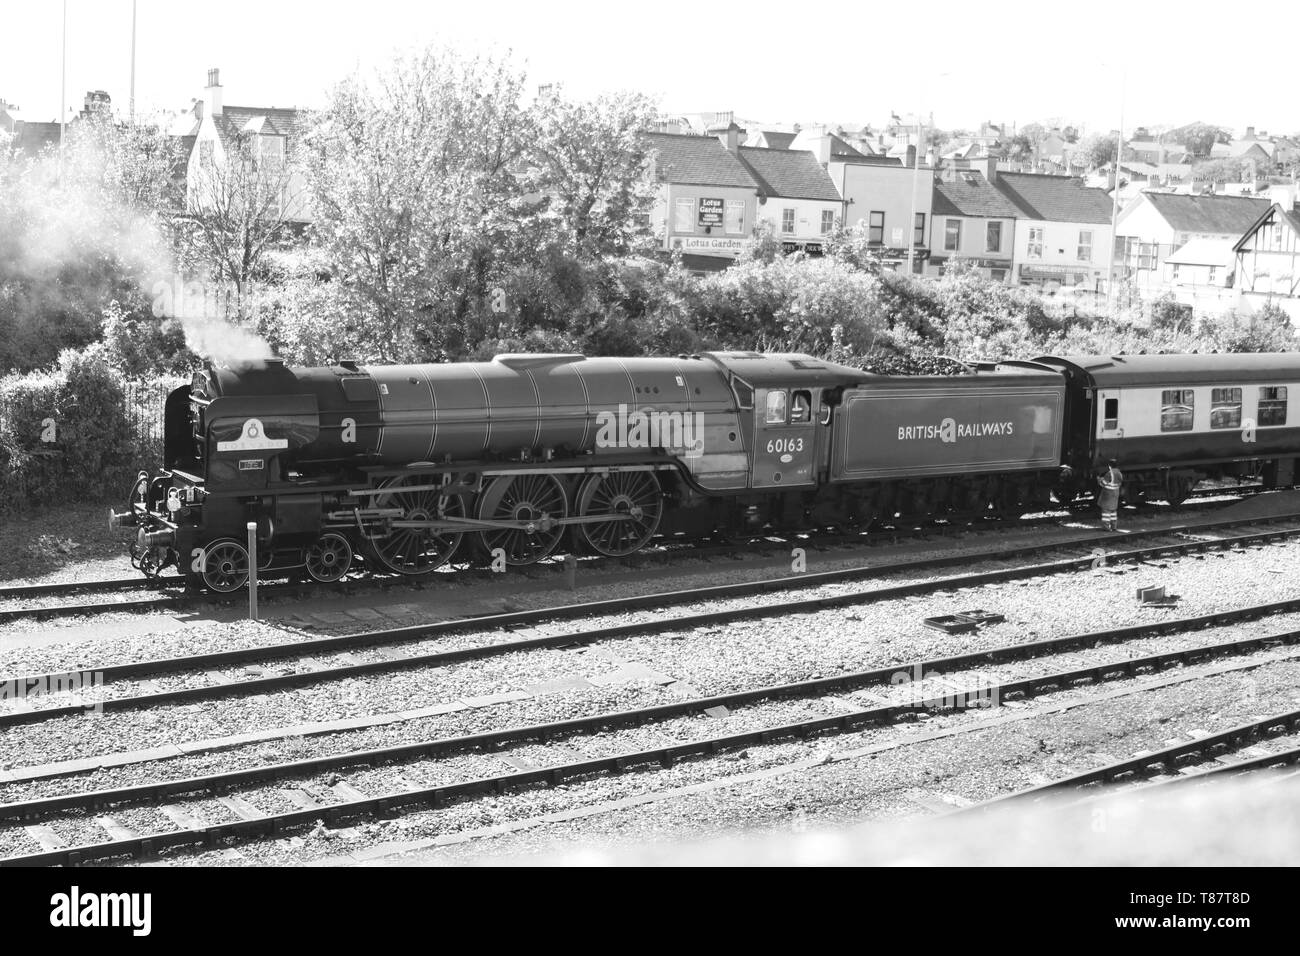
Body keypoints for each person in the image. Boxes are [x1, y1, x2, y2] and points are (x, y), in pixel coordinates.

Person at [1097, 459, 1123, 531]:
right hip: (1116, 493)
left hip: (1108, 494)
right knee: (1113, 510)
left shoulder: (1109, 473)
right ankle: (1114, 526)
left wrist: (1099, 479)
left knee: (1106, 511)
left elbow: (1103, 483)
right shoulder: (1119, 473)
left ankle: (1106, 527)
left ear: (1109, 466)